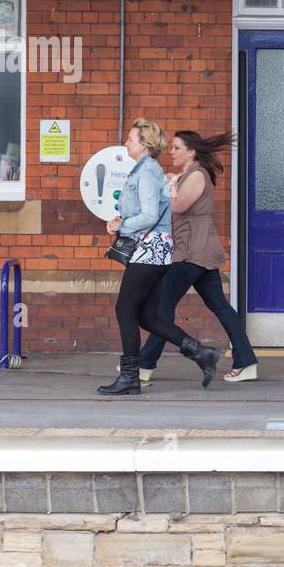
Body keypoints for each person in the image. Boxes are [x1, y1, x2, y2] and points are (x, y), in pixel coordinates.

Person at [98, 118, 221, 397]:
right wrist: (121, 219)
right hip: (157, 249)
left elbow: (151, 216)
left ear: (145, 145)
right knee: (148, 317)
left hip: (149, 249)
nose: (126, 143)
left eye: (131, 140)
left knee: (124, 310)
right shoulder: (147, 171)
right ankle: (202, 353)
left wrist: (123, 226)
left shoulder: (147, 172)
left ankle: (130, 377)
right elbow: (148, 211)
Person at [139, 130, 260, 385]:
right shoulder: (188, 174)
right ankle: (246, 361)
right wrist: (173, 180)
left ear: (191, 151)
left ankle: (144, 366)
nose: (171, 152)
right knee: (220, 307)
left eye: (176, 148)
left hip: (191, 252)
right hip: (196, 250)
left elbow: (178, 206)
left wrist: (170, 183)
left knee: (162, 308)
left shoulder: (196, 175)